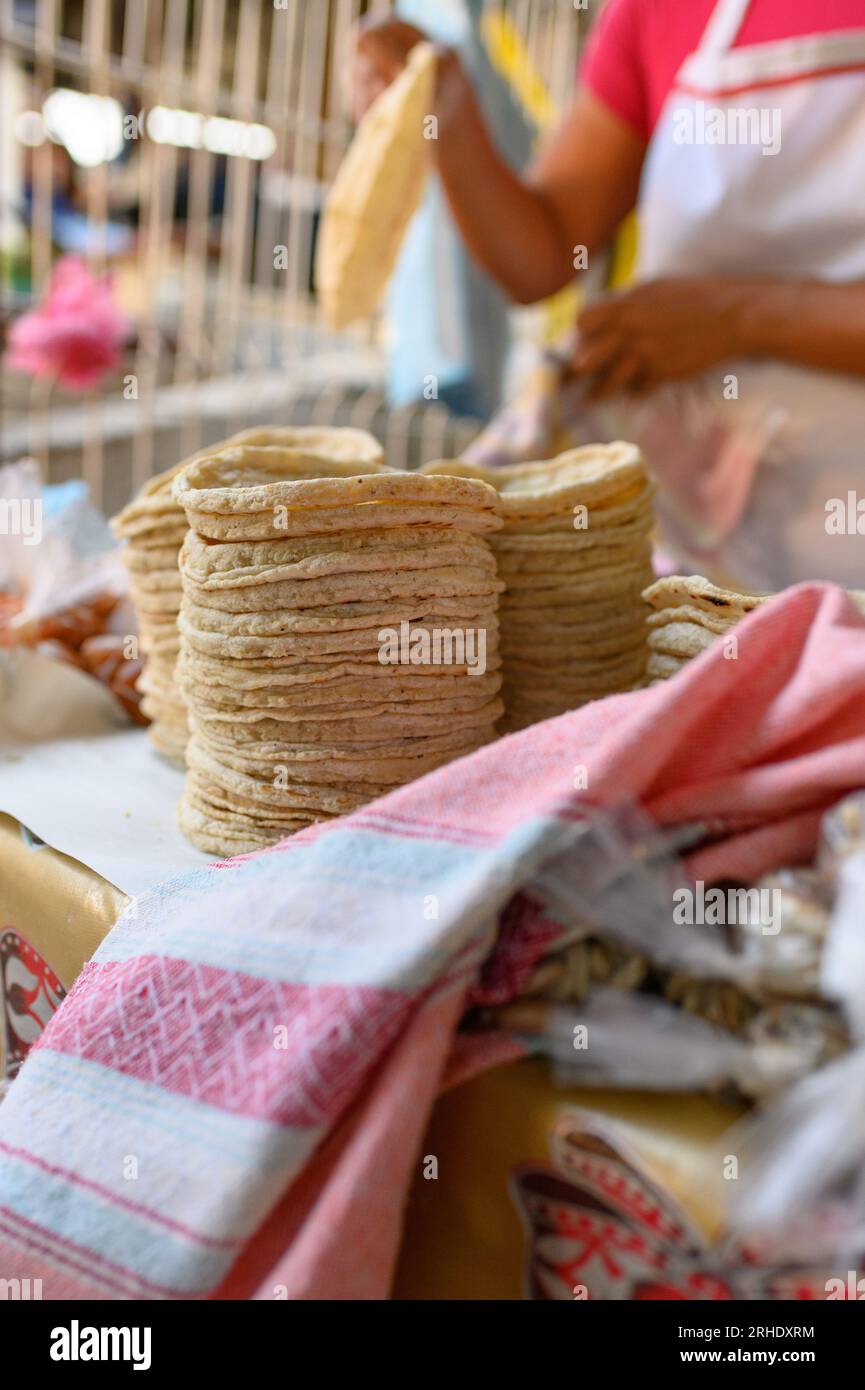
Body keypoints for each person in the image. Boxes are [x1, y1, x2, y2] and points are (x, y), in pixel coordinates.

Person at [351, 0, 865, 593]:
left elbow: (729, 315)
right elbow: (541, 257)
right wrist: (449, 115)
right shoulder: (661, 11)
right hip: (694, 548)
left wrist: (739, 317)